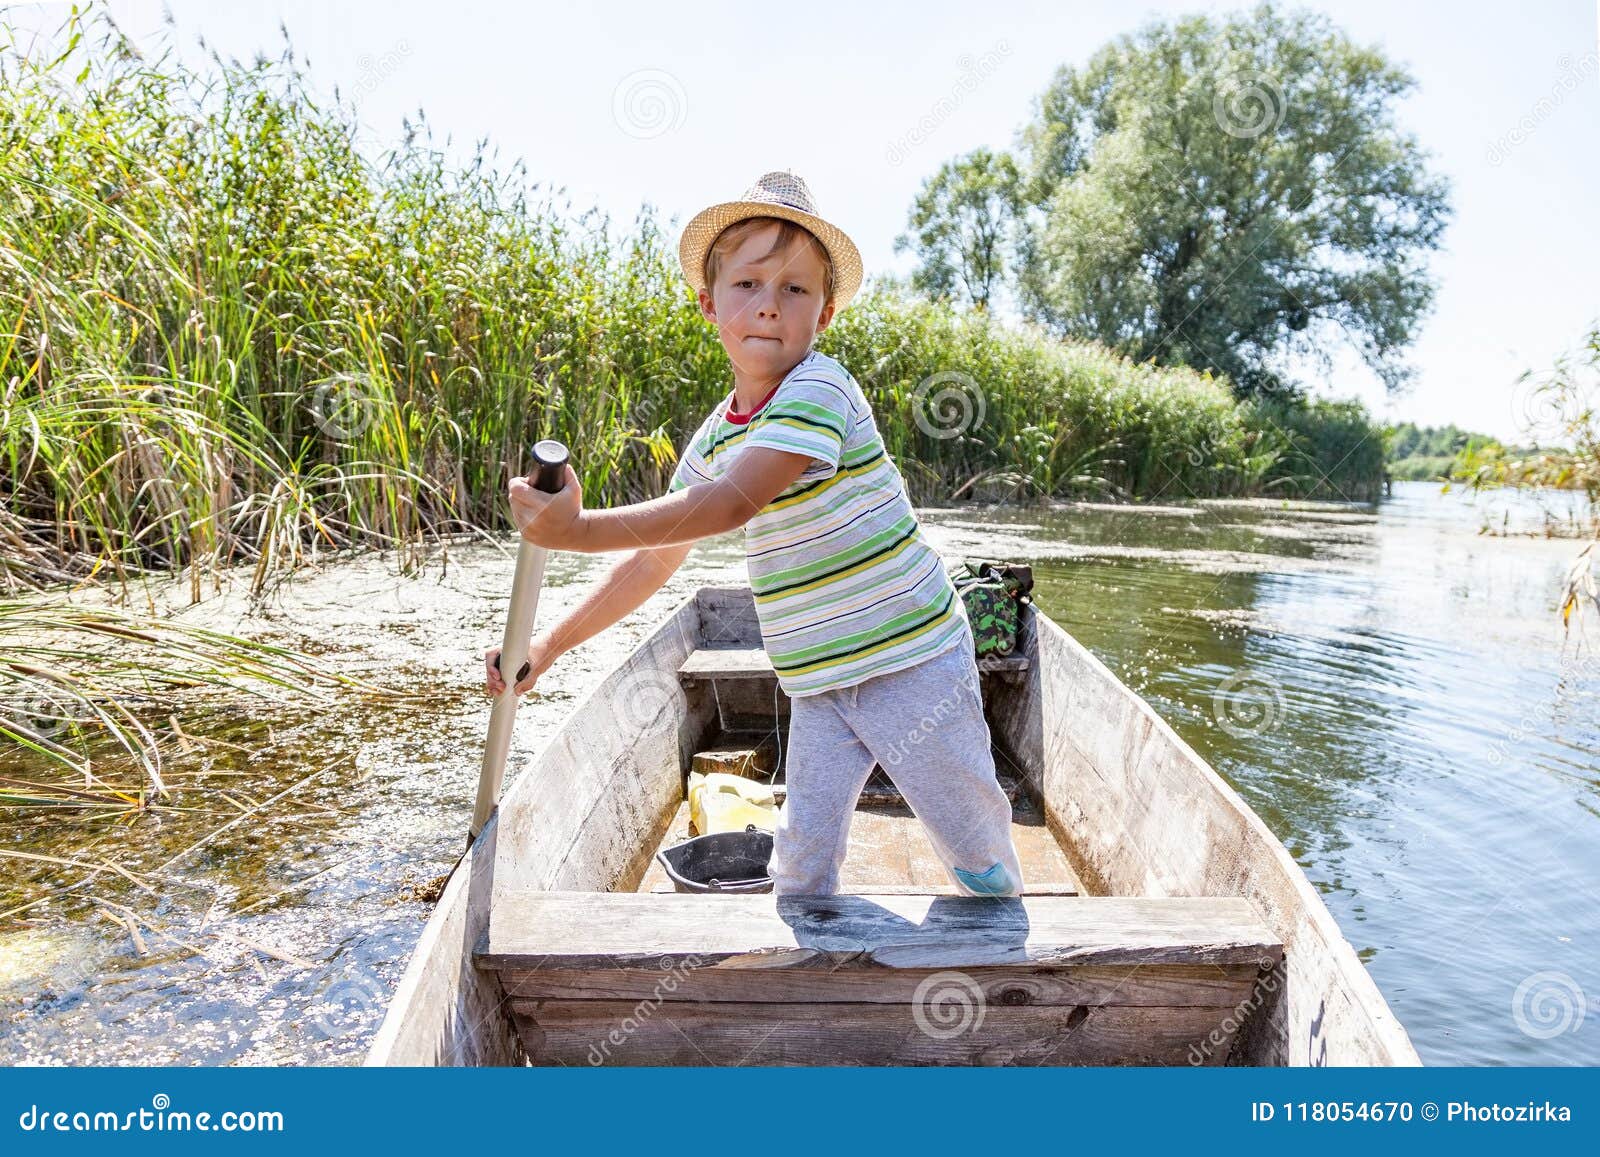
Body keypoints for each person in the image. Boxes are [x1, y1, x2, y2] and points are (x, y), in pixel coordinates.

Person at [484, 170, 1023, 897]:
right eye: (747, 285)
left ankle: (1007, 943)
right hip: (819, 684)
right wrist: (548, 645)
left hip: (913, 662)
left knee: (977, 856)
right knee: (799, 873)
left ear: (824, 315)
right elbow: (654, 559)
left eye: (795, 290)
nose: (770, 306)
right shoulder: (714, 437)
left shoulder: (820, 389)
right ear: (710, 304)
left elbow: (734, 503)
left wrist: (574, 530)